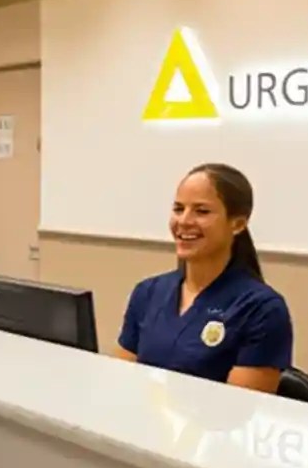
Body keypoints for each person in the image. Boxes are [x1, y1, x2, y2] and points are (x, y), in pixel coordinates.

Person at [115, 163, 293, 393]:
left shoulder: (261, 309)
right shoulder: (148, 293)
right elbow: (123, 383)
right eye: (178, 209)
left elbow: (240, 408)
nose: (184, 221)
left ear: (238, 224)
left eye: (201, 211)